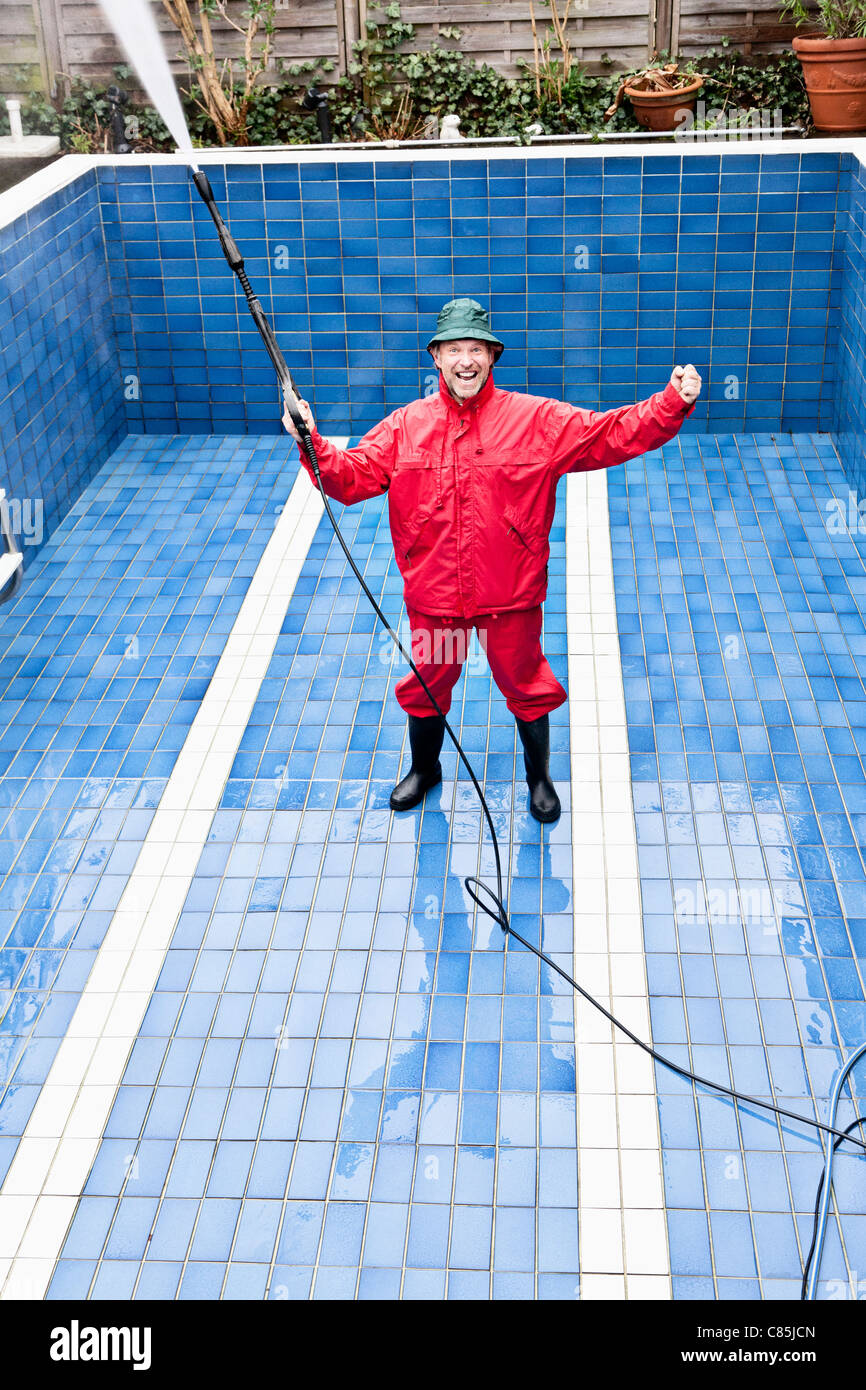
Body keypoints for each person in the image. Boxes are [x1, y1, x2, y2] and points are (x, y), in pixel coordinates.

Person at [284, 297, 701, 823]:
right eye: (454, 348)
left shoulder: (537, 420)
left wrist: (669, 404)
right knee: (427, 683)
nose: (466, 360)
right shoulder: (405, 426)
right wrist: (310, 439)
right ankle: (426, 768)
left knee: (527, 685)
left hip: (510, 597)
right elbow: (347, 477)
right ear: (436, 357)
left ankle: (540, 779)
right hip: (436, 599)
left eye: (476, 349)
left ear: (492, 357)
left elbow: (609, 434)